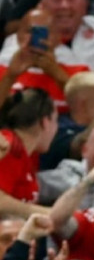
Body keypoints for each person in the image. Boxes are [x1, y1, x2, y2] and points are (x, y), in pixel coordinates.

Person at [0, 88, 57, 218]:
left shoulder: (27, 154)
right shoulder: (8, 146)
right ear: (45, 122)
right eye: (56, 120)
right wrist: (48, 214)